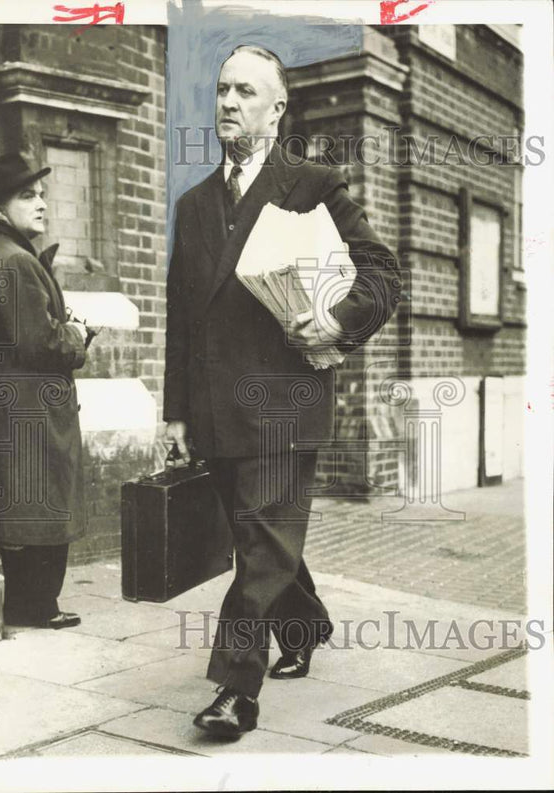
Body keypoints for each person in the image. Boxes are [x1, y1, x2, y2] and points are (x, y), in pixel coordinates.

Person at [164, 45, 400, 738]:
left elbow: (383, 274)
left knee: (261, 536)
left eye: (246, 92)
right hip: (214, 407)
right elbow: (182, 313)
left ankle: (236, 689)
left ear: (277, 108)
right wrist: (176, 410)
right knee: (258, 538)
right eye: (222, 90)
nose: (228, 102)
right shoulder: (196, 203)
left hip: (284, 405)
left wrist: (335, 317)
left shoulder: (314, 184)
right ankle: (306, 622)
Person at [0, 152, 90, 630]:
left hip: (14, 401)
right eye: (28, 196)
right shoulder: (15, 260)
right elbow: (39, 342)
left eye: (42, 194)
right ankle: (37, 605)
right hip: (33, 404)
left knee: (25, 500)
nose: (42, 203)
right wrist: (77, 335)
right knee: (43, 500)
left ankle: (28, 603)